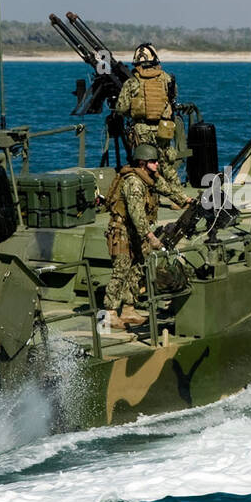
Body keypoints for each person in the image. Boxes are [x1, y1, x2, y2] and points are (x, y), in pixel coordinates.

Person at [102, 142, 171, 329]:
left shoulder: (148, 178)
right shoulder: (133, 182)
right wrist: (150, 236)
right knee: (121, 271)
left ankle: (128, 309)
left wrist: (185, 200)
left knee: (137, 268)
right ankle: (108, 313)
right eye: (153, 161)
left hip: (136, 232)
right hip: (123, 231)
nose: (157, 164)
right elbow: (136, 213)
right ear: (142, 163)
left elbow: (167, 188)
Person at [115, 43, 190, 205]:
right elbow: (172, 97)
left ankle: (145, 198)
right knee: (165, 164)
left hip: (141, 129)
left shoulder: (132, 82)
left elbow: (121, 108)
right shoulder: (167, 78)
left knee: (143, 166)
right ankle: (179, 199)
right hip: (163, 128)